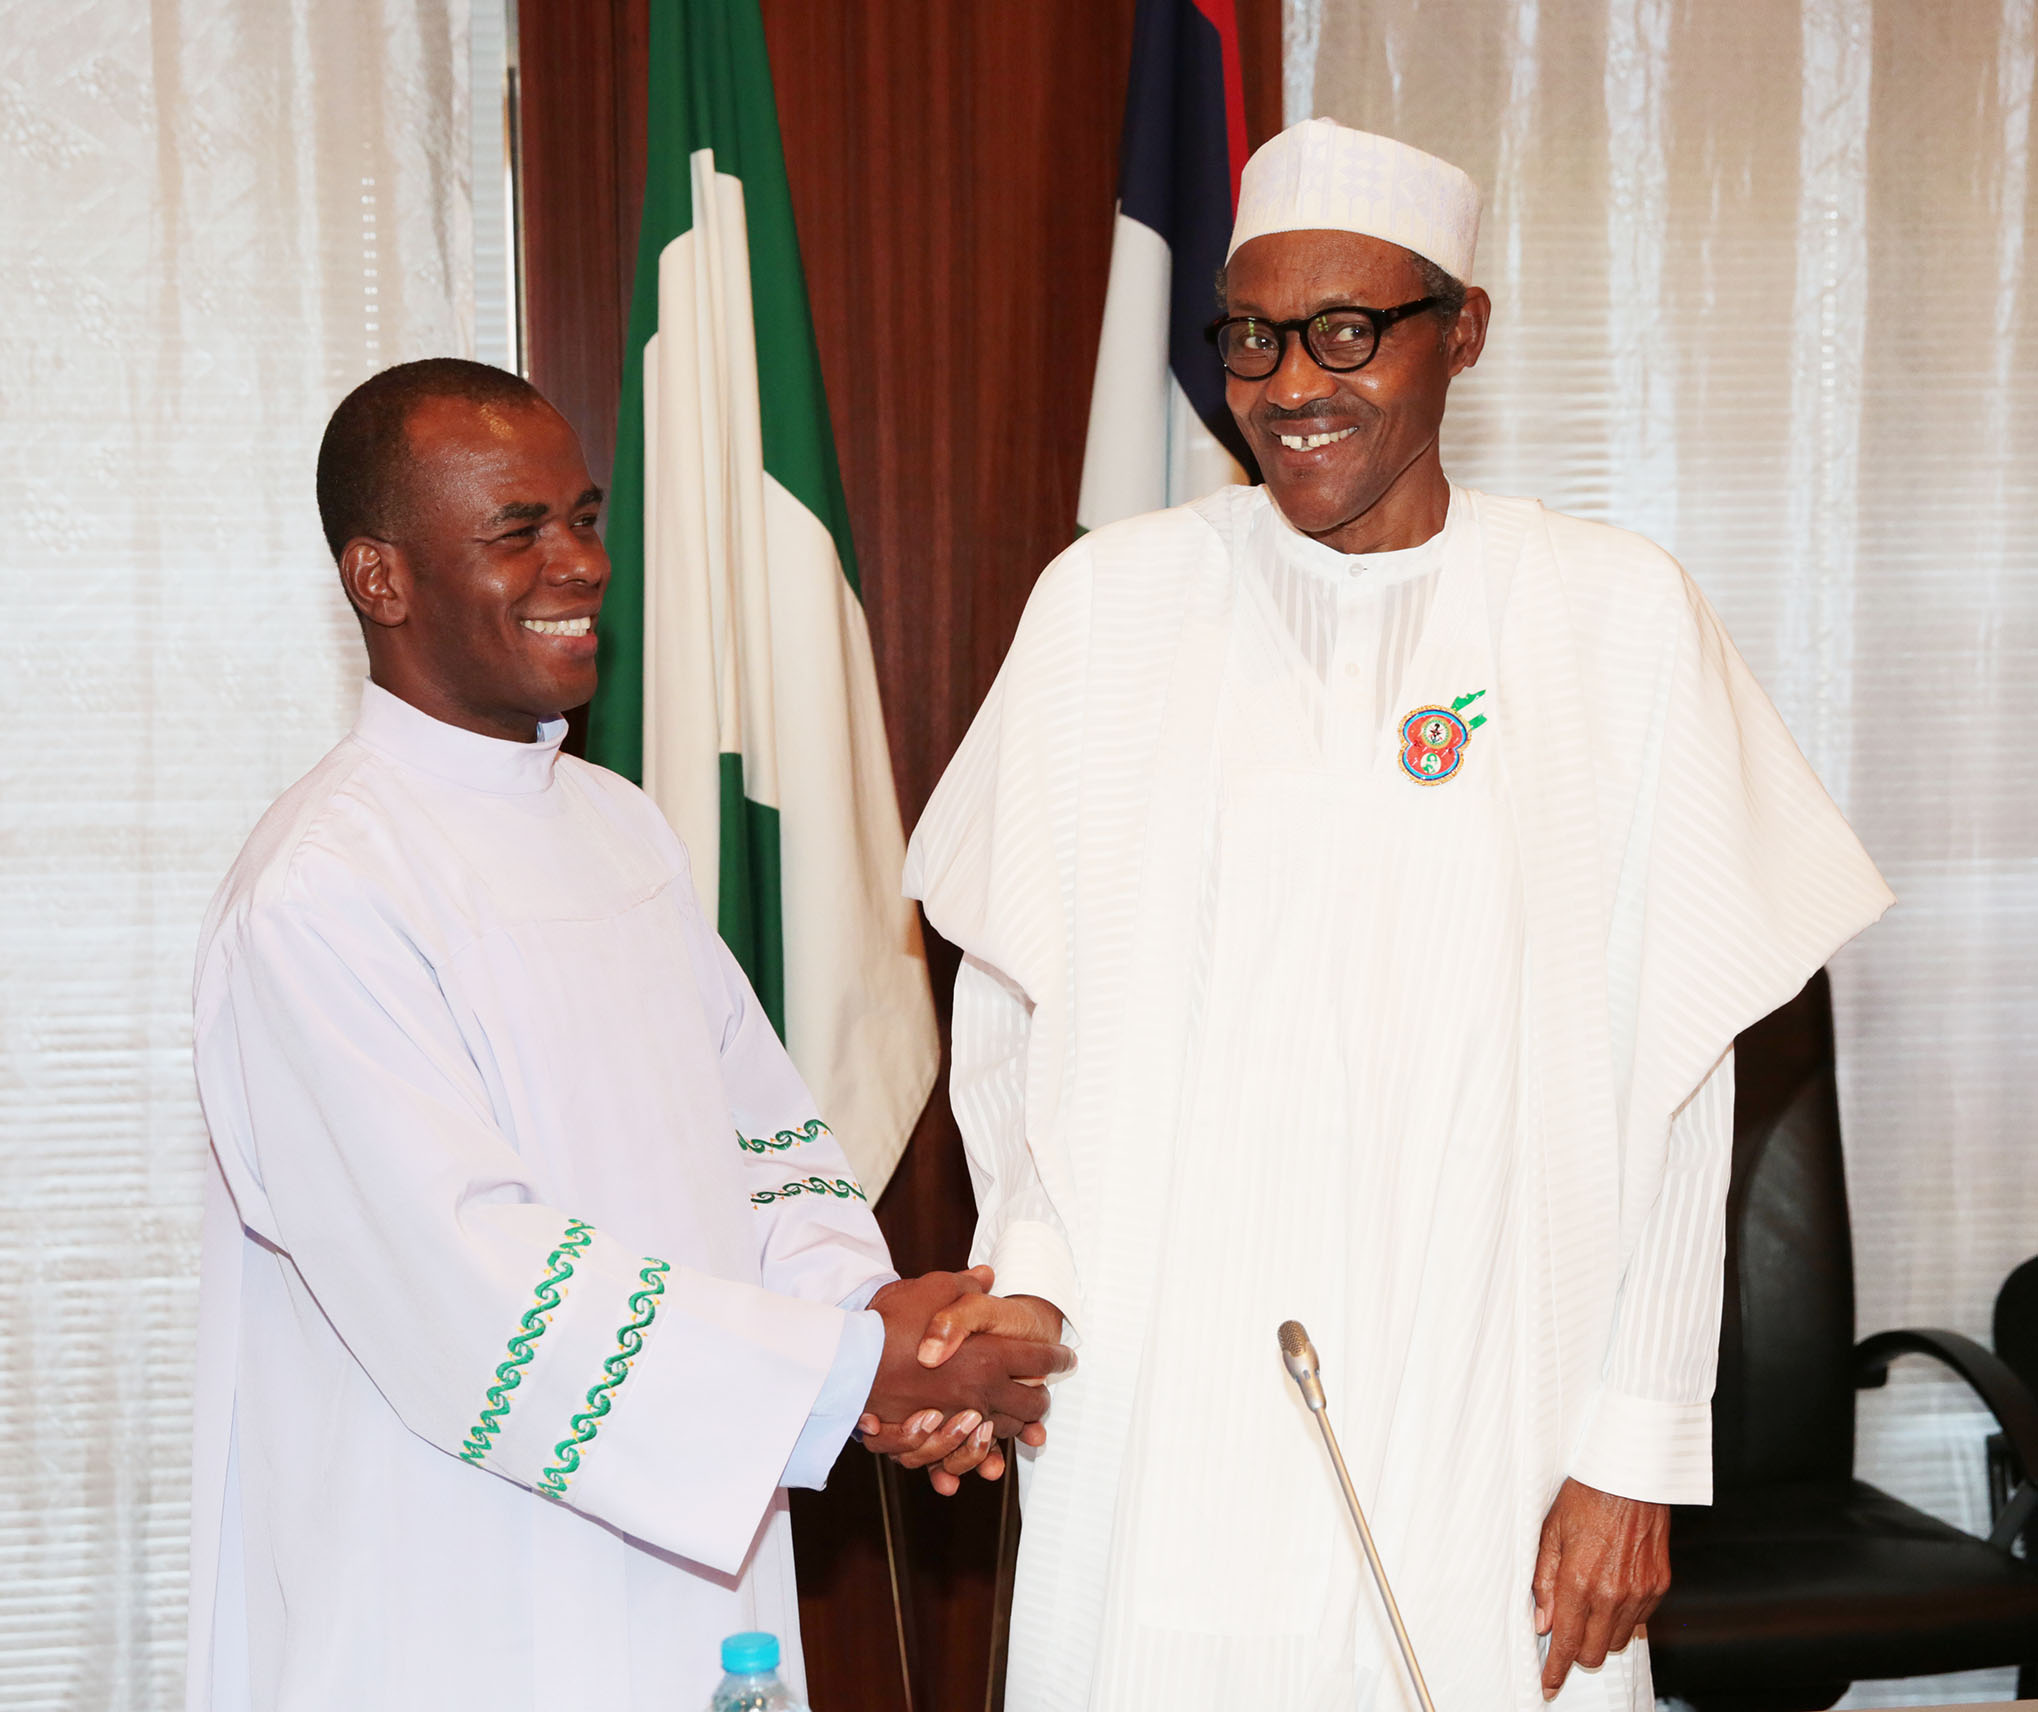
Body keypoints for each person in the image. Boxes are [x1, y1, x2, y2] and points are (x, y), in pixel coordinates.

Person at [894, 121, 1893, 1712]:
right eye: (1252, 337)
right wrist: (1026, 1288)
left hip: (1490, 1393)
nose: (1295, 384)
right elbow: (1013, 1016)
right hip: (1164, 1396)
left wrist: (1629, 1446)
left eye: (1351, 331)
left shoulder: (1610, 616)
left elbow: (1682, 1074)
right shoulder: (1109, 604)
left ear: (1464, 333)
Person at [187, 359, 1070, 1711]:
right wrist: (844, 1376)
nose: (576, 565)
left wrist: (871, 1317)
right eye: (516, 530)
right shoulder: (319, 890)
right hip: (449, 1591)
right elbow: (468, 1283)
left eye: (584, 519)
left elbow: (762, 1144)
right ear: (382, 579)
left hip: (693, 1567)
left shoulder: (618, 824)